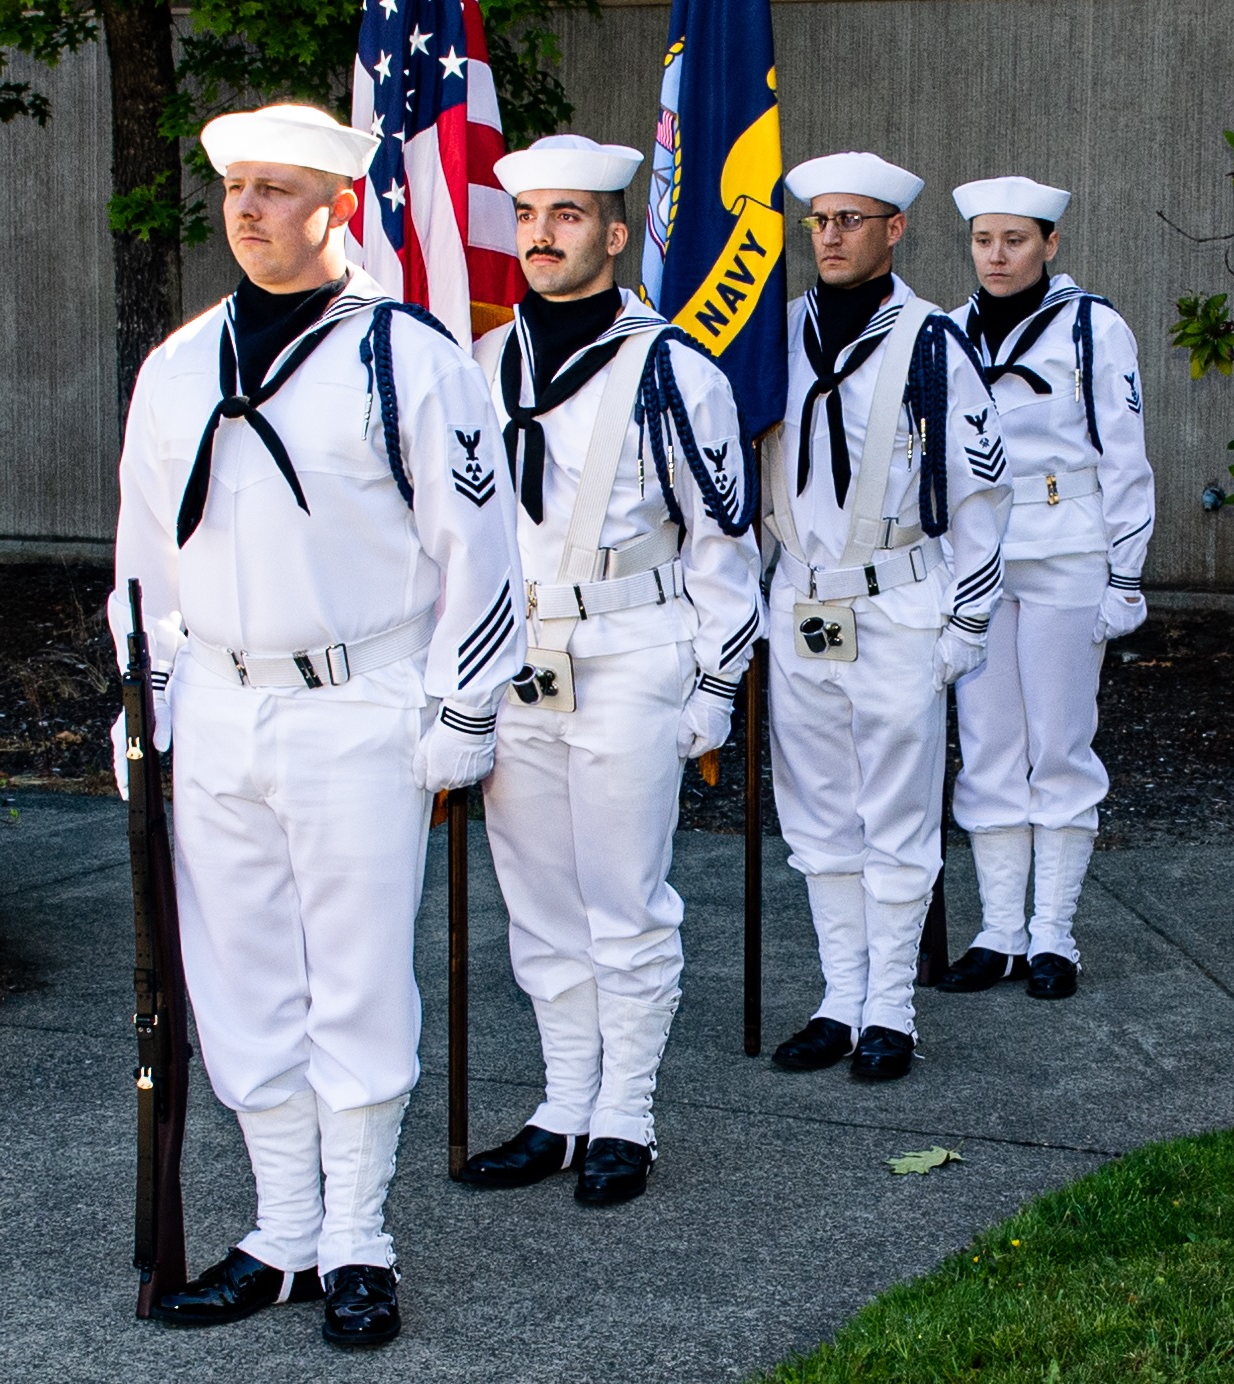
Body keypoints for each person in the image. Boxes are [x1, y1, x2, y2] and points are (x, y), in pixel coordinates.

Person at [107, 103, 521, 1350]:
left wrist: (462, 702)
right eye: (236, 188)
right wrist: (146, 701)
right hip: (222, 708)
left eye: (278, 190)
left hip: (360, 706)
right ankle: (282, 1232)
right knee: (240, 984)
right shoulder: (180, 365)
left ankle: (359, 1241)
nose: (248, 210)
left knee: (352, 983)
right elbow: (143, 561)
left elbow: (480, 549)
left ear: (339, 207)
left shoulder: (410, 357)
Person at [456, 135, 762, 1205]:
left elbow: (724, 540)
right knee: (538, 903)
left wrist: (717, 682)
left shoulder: (673, 367)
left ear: (615, 232)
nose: (542, 235)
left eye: (569, 215)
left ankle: (625, 1115)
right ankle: (562, 1105)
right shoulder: (479, 366)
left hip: (632, 652)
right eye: (530, 216)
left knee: (622, 899)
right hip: (513, 659)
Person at [761, 151, 1011, 1082]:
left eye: (852, 220)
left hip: (898, 600)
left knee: (896, 815)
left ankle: (892, 1008)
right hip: (800, 600)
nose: (830, 236)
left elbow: (985, 498)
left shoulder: (933, 343)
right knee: (819, 813)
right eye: (819, 221)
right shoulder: (774, 334)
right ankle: (838, 997)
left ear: (894, 229)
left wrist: (967, 625)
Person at [934, 176, 1154, 1003]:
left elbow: (1125, 454)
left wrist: (1126, 572)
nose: (996, 255)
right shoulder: (947, 333)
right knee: (989, 746)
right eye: (984, 240)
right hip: (977, 562)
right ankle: (998, 933)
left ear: (1050, 244)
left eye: (1015, 240)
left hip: (1066, 550)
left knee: (1058, 743)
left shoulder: (1093, 328)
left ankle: (1053, 935)